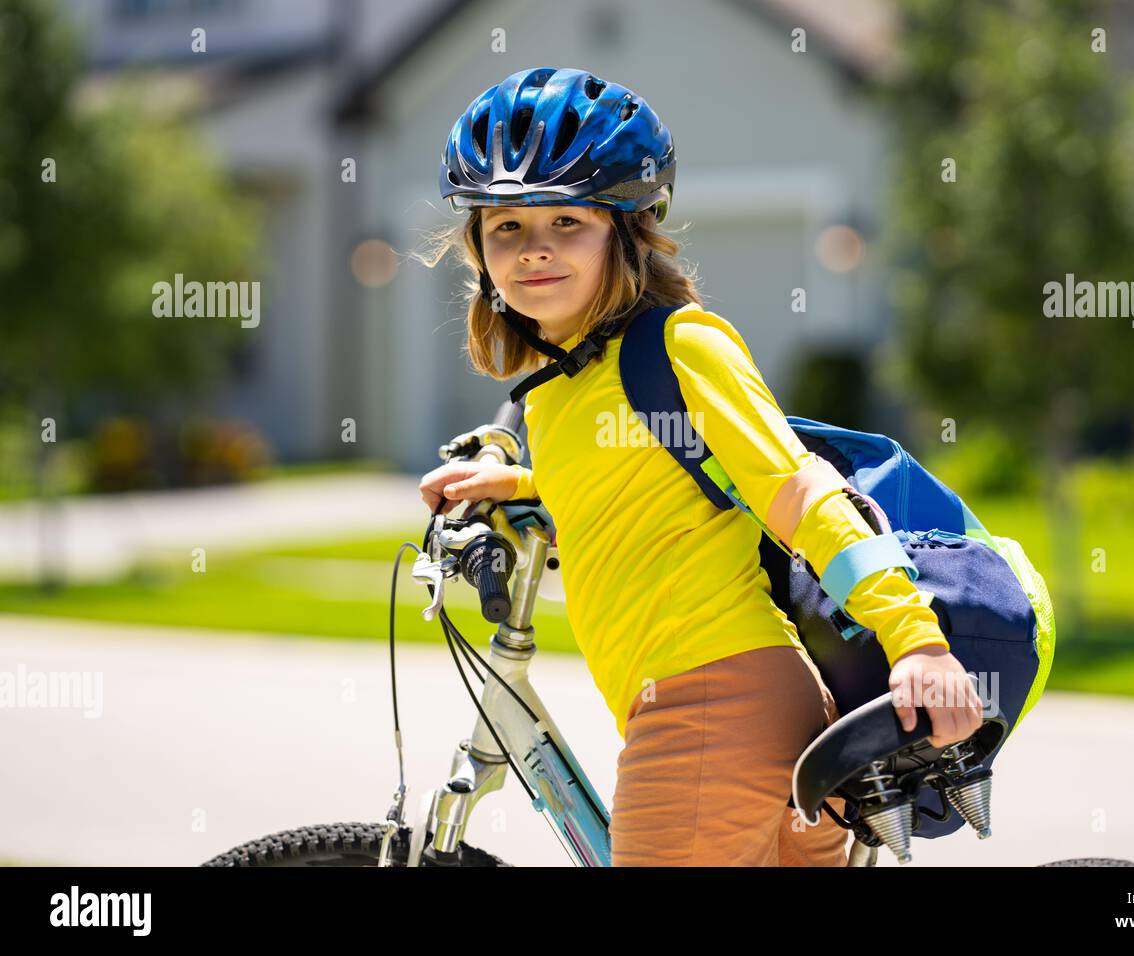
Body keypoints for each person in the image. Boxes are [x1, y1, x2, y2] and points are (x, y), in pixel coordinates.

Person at [416, 67, 982, 866]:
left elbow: (799, 489)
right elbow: (636, 478)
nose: (534, 249)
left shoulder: (681, 345)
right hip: (745, 711)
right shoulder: (568, 382)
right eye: (506, 227)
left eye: (567, 221)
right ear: (476, 243)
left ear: (629, 230)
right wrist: (520, 484)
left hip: (709, 704)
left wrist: (917, 641)